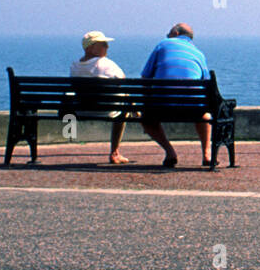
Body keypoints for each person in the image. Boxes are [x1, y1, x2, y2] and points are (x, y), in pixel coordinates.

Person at [70, 31, 177, 167]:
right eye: (103, 44)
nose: (107, 46)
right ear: (91, 48)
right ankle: (115, 152)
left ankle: (135, 115)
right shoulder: (106, 65)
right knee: (124, 103)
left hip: (81, 110)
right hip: (107, 111)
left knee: (124, 97)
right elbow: (123, 81)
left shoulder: (74, 66)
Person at [141, 23, 213, 168]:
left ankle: (170, 152)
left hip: (162, 106)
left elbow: (145, 77)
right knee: (204, 116)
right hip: (192, 109)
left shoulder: (163, 44)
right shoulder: (198, 53)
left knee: (147, 120)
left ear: (175, 32)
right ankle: (206, 153)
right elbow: (206, 83)